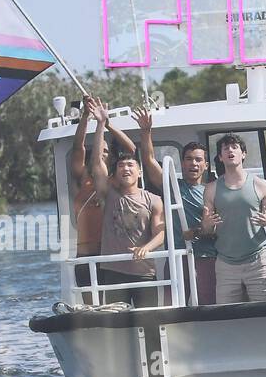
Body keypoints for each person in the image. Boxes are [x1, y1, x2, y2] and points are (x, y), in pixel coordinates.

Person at [87, 100, 165, 309]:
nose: (126, 169)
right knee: (114, 327)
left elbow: (161, 232)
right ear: (116, 172)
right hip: (114, 272)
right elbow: (96, 164)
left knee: (150, 325)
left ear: (139, 172)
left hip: (144, 272)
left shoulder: (153, 199)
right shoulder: (109, 194)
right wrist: (101, 124)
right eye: (121, 166)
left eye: (130, 165)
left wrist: (145, 248)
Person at [136, 107, 216, 305]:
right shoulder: (172, 187)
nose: (193, 164)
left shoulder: (213, 191)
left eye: (198, 160)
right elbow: (148, 160)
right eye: (189, 159)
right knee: (171, 307)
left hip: (206, 258)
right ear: (182, 163)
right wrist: (146, 131)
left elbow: (217, 228)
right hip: (177, 259)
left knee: (207, 306)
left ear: (205, 165)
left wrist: (196, 232)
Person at [66, 96, 138, 300]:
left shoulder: (114, 182)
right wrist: (86, 117)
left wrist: (107, 123)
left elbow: (131, 150)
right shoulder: (82, 178)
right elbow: (78, 146)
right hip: (85, 255)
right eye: (100, 150)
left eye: (107, 151)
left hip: (109, 254)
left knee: (113, 304)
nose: (103, 154)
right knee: (90, 306)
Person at [202, 134, 266, 304]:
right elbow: (207, 229)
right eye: (225, 148)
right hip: (225, 264)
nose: (230, 150)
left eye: (234, 147)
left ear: (243, 154)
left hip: (258, 262)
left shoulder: (261, 184)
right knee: (227, 317)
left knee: (264, 314)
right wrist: (207, 226)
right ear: (221, 157)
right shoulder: (211, 189)